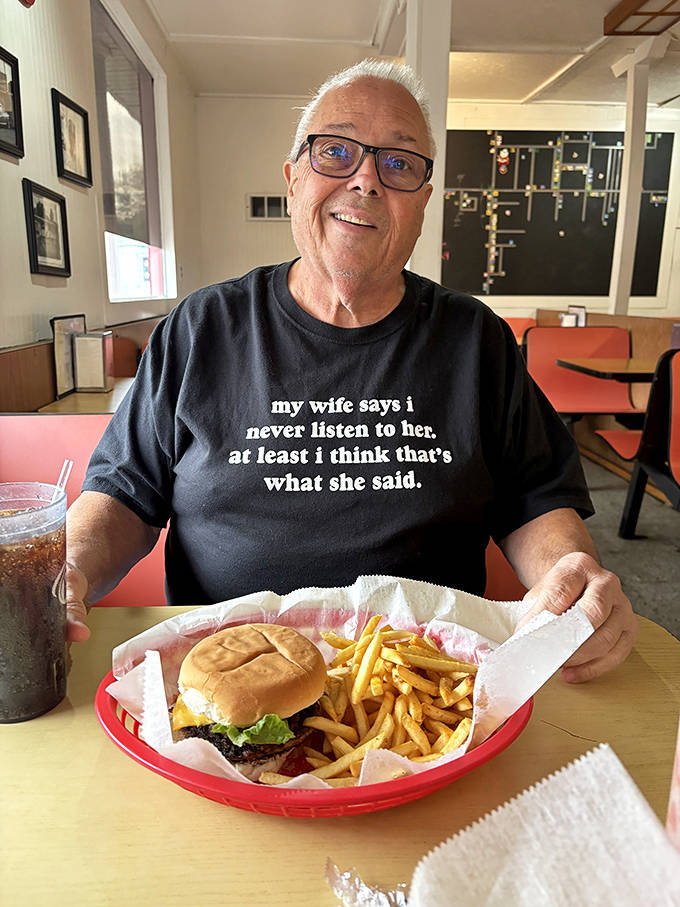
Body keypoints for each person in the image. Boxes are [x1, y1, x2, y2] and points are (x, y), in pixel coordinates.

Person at [66, 60, 637, 682]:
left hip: (429, 685)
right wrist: (68, 568)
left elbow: (537, 499)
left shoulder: (477, 340)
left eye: (398, 163)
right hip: (223, 679)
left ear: (422, 203)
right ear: (292, 180)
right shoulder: (202, 328)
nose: (365, 178)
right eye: (335, 151)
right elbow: (124, 494)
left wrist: (571, 581)